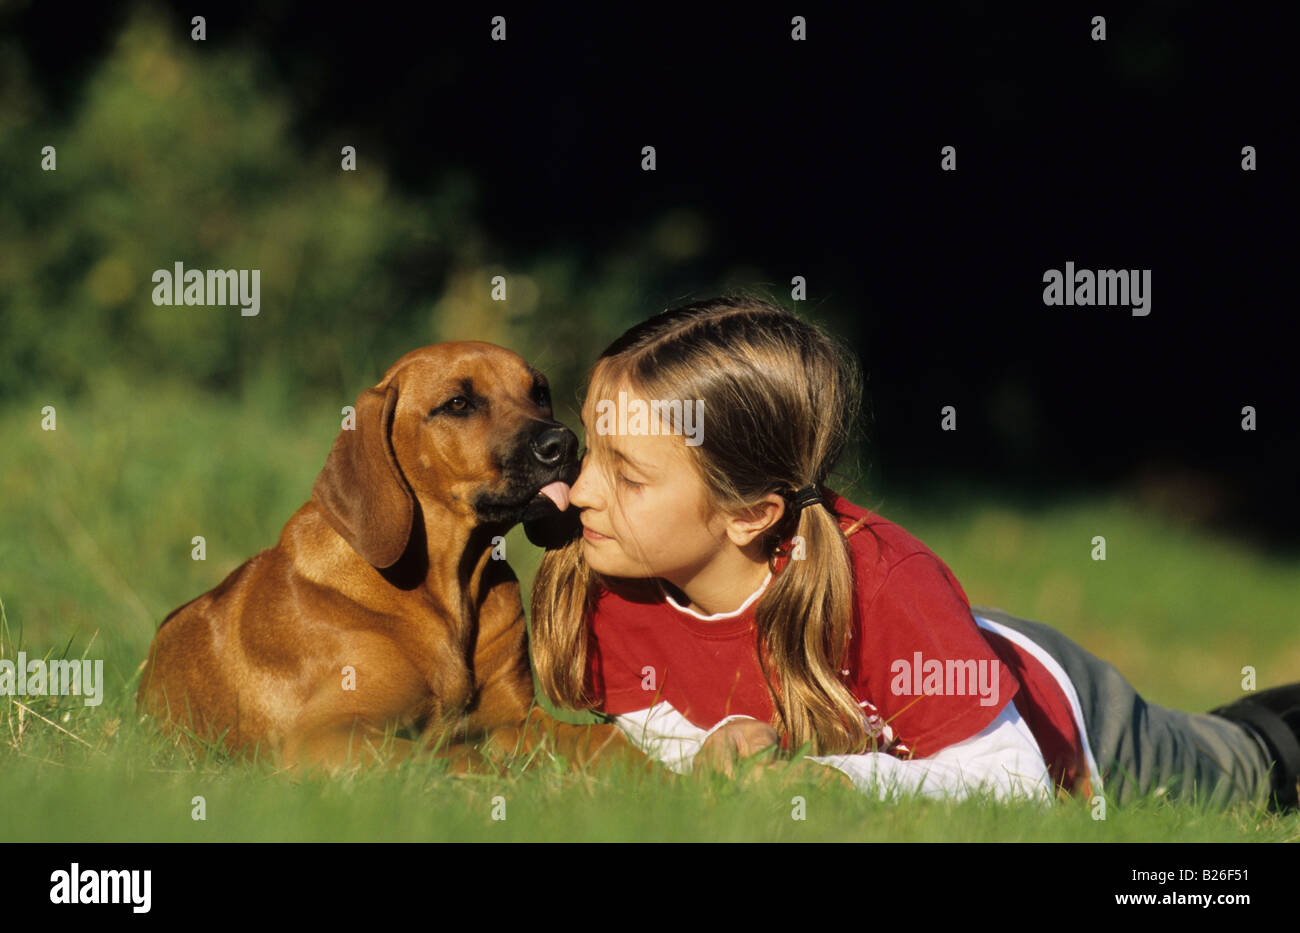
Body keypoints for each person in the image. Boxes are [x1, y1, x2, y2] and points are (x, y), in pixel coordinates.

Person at [526, 295, 1300, 810]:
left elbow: (1013, 783)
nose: (583, 488)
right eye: (592, 450)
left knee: (1251, 761)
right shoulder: (607, 587)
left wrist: (805, 777)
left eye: (625, 474)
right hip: (946, 675)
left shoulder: (887, 586)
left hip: (1069, 725)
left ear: (749, 514)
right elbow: (668, 744)